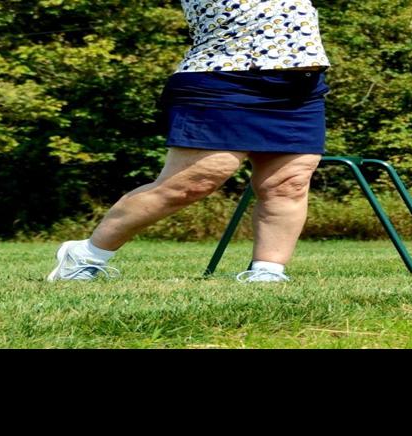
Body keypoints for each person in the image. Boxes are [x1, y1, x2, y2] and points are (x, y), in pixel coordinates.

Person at [49, 0, 333, 283]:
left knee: (289, 183)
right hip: (225, 75)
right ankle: (86, 254)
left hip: (300, 84)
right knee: (189, 185)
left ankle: (267, 272)